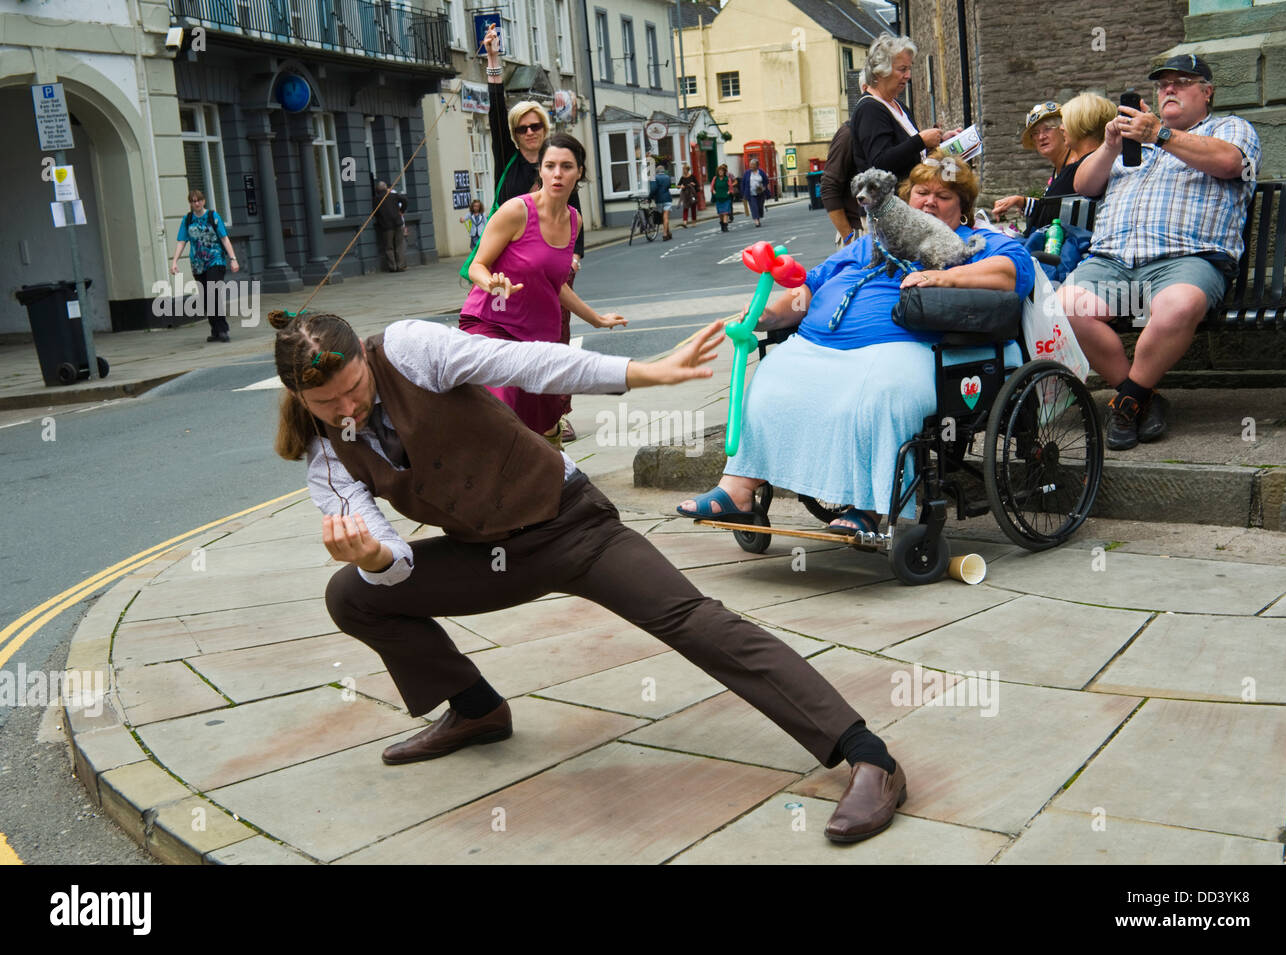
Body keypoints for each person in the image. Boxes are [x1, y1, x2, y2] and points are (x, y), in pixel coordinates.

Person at [270, 310, 909, 844]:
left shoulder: (409, 350)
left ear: (363, 356)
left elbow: (523, 363)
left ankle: (866, 754)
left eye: (354, 387)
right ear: (299, 398)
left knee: (695, 620)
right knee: (352, 595)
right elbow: (392, 556)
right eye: (325, 403)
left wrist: (639, 372)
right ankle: (477, 710)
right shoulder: (327, 460)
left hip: (574, 529)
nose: (347, 406)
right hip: (488, 557)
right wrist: (376, 560)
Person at [678, 156, 1034, 536]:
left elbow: (1012, 272)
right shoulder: (867, 244)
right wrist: (762, 315)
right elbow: (808, 288)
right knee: (773, 374)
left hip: (913, 349)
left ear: (962, 206)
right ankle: (738, 490)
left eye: (943, 196)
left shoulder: (971, 243)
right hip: (820, 347)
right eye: (921, 192)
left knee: (881, 391)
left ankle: (870, 507)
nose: (929, 202)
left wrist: (945, 277)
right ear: (905, 198)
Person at [1059, 55, 1261, 452]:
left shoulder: (1230, 128)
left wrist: (1161, 136)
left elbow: (1230, 162)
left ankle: (1126, 403)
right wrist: (1110, 146)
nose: (1169, 89)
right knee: (1064, 307)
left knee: (1178, 306)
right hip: (1112, 261)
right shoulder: (1133, 142)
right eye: (1163, 84)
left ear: (1207, 92)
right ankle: (1140, 399)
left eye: (1181, 82)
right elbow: (1084, 185)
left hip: (1186, 261)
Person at [459, 134, 625, 448]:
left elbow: (556, 284)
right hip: (494, 323)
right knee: (502, 402)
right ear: (541, 171)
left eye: (566, 166)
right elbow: (476, 265)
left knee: (546, 419)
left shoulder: (574, 220)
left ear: (579, 173)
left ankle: (553, 473)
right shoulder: (515, 211)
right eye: (549, 166)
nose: (557, 173)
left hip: (539, 332)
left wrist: (596, 320)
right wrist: (490, 282)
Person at [483, 22, 584, 443]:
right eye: (522, 128)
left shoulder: (554, 163)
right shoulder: (509, 160)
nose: (530, 133)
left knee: (554, 340)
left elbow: (573, 211)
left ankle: (557, 414)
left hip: (548, 266)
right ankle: (506, 413)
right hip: (508, 268)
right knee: (504, 341)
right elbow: (493, 111)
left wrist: (576, 254)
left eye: (535, 127)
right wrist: (492, 62)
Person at [992, 94, 1116, 231]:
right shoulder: (1069, 169)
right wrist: (1021, 201)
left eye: (1048, 128)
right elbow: (1052, 205)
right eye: (1035, 133)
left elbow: (1048, 216)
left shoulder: (1076, 170)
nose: (1041, 137)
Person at [851, 34, 959, 180]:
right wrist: (920, 141)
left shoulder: (897, 105)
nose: (908, 75)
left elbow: (909, 153)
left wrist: (939, 141)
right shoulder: (870, 110)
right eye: (902, 69)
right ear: (881, 72)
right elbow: (879, 163)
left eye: (909, 69)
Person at [169, 189, 239, 342]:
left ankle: (223, 329)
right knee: (206, 298)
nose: (196, 203)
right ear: (190, 203)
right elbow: (181, 241)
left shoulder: (212, 216)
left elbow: (224, 238)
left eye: (199, 200)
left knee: (213, 293)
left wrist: (233, 259)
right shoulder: (187, 220)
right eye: (193, 201)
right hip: (198, 264)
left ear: (203, 201)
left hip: (215, 260)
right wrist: (174, 261)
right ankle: (215, 329)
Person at [823, 74, 870, 246]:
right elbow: (829, 186)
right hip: (860, 232)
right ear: (866, 88)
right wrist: (849, 238)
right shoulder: (848, 133)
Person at [372, 180, 407, 273]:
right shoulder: (393, 196)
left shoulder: (377, 199)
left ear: (377, 190)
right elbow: (404, 200)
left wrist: (380, 219)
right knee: (399, 245)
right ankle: (401, 266)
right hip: (397, 223)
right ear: (386, 188)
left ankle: (392, 267)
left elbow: (375, 212)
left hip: (386, 226)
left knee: (389, 247)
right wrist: (401, 211)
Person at [742, 158, 769, 227]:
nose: (751, 166)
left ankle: (758, 217)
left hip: (760, 193)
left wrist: (764, 187)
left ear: (757, 165)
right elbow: (743, 183)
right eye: (750, 164)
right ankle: (756, 221)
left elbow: (766, 181)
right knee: (754, 207)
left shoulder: (761, 172)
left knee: (760, 207)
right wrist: (743, 194)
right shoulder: (747, 173)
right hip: (750, 193)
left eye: (753, 164)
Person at [651, 164, 673, 240]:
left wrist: (649, 197)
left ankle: (667, 233)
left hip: (659, 200)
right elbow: (670, 186)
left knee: (664, 217)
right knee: (666, 217)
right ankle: (665, 233)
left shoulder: (655, 178)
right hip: (667, 198)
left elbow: (653, 189)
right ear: (664, 171)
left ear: (657, 171)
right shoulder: (667, 177)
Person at [711, 163, 733, 231]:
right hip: (718, 198)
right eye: (719, 171)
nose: (720, 172)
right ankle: (722, 224)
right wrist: (714, 191)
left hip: (726, 198)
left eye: (722, 171)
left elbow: (730, 187)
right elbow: (712, 187)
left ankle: (725, 226)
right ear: (717, 172)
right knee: (720, 213)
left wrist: (728, 192)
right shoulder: (715, 178)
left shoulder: (727, 179)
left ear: (724, 172)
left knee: (725, 212)